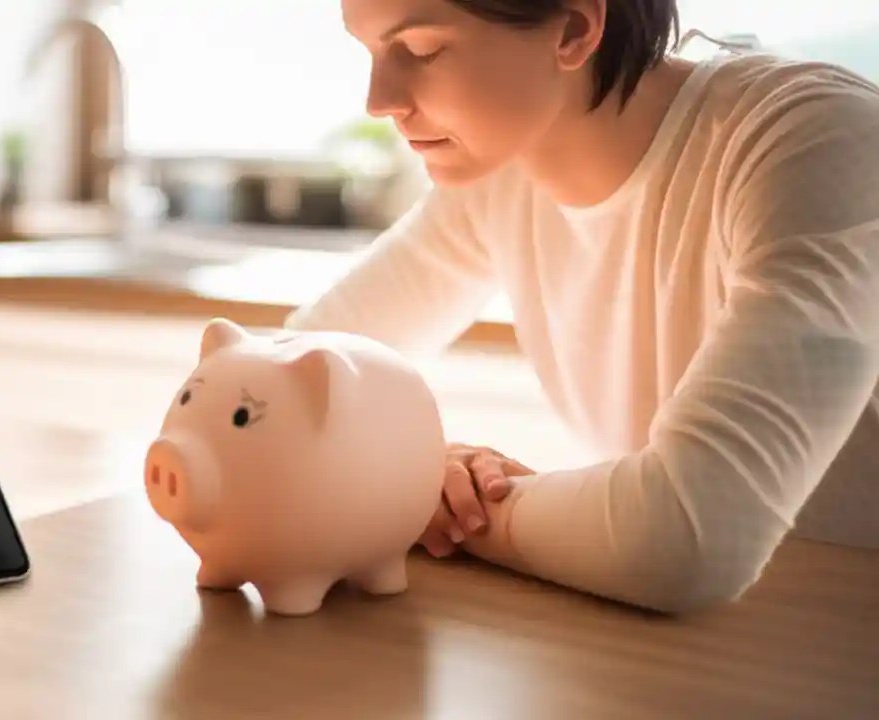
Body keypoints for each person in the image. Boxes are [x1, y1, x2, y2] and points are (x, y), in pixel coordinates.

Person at [284, 0, 879, 614]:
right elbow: (277, 379)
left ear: (573, 28)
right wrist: (425, 471)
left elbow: (685, 537)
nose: (379, 101)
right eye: (374, 51)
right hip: (710, 651)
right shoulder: (505, 164)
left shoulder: (816, 139)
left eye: (425, 49)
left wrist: (425, 498)